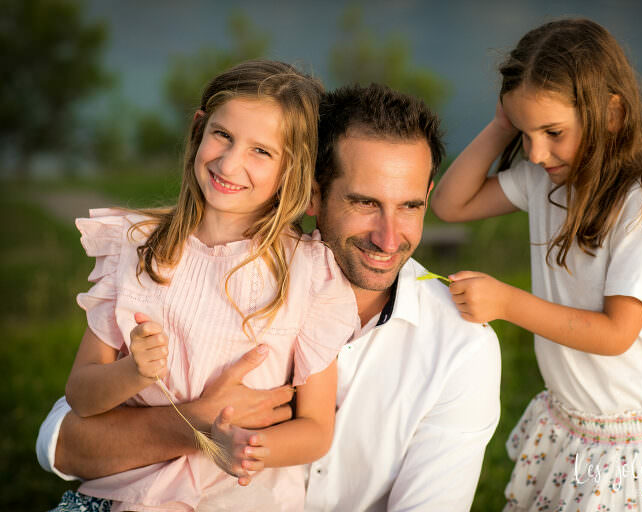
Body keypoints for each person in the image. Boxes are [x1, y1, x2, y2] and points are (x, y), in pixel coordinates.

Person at [37, 83, 502, 511]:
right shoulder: (171, 262)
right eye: (364, 203)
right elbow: (63, 442)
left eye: (409, 206)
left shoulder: (459, 348)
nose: (388, 237)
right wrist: (195, 423)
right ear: (312, 195)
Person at [51, 59, 359, 511]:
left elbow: (315, 427)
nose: (230, 163)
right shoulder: (136, 247)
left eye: (262, 151)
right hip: (126, 496)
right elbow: (81, 395)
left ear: (292, 169)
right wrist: (131, 372)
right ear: (199, 129)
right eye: (223, 135)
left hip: (236, 498)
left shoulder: (309, 274)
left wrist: (247, 448)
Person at [430, 18, 642, 511]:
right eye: (525, 132)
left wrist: (506, 302)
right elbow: (450, 204)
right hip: (573, 425)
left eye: (553, 131)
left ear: (611, 114)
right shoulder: (549, 179)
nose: (536, 153)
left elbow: (616, 334)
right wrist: (500, 127)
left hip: (633, 446)